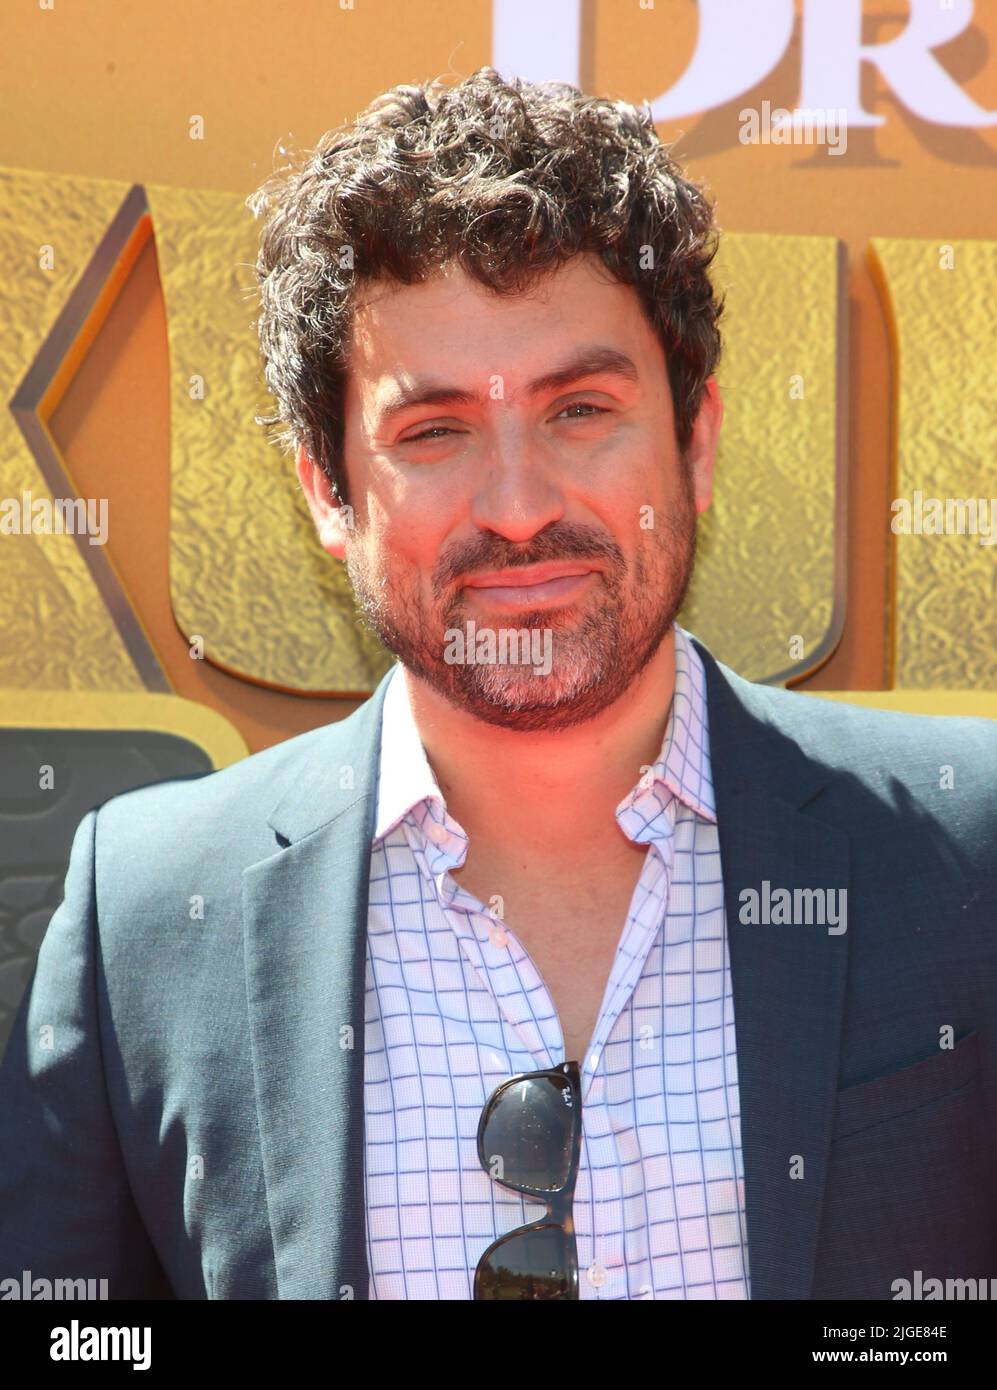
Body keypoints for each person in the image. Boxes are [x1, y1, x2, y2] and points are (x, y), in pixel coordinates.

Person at [1, 67, 995, 1302]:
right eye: (433, 432)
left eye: (580, 409)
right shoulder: (145, 915)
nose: (519, 508)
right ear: (326, 490)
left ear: (694, 440)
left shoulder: (965, 851)